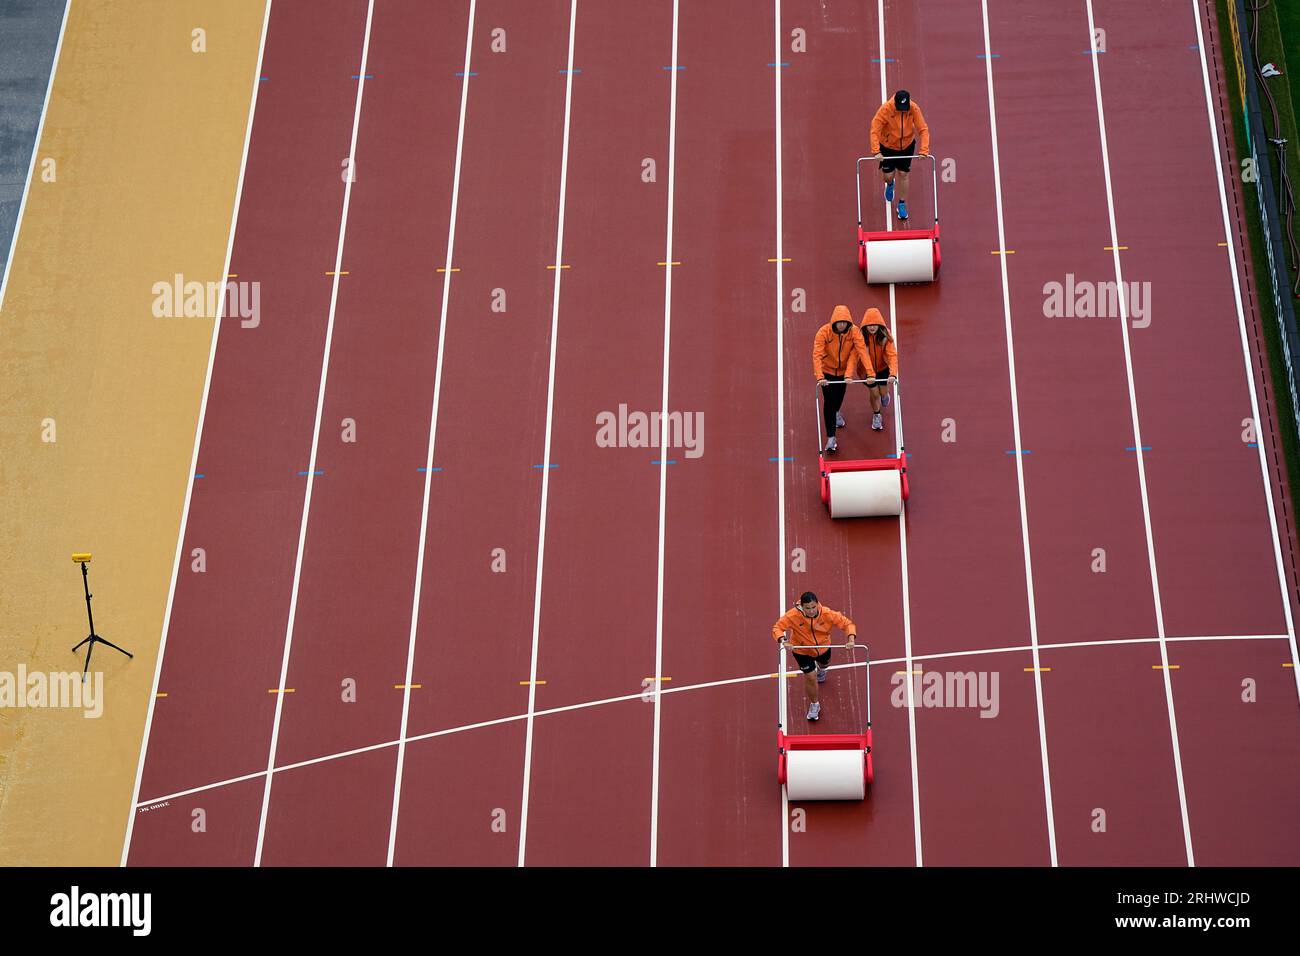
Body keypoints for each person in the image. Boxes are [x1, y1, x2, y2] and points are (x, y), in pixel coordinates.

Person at [772, 591, 858, 721]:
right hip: (802, 650)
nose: (811, 611)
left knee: (824, 665)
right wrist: (784, 641)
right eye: (807, 608)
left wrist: (851, 639)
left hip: (823, 647)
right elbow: (777, 628)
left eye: (813, 607)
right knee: (810, 677)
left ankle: (822, 670)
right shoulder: (792, 615)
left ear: (817, 604)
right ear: (801, 606)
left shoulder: (827, 613)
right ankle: (814, 704)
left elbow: (847, 624)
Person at [813, 305, 873, 453]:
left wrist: (870, 373)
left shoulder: (854, 332)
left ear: (848, 322)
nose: (841, 325)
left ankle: (837, 412)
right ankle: (831, 437)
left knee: (839, 397)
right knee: (829, 402)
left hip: (843, 372)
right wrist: (820, 376)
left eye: (844, 322)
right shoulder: (823, 332)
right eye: (839, 322)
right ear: (834, 321)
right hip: (827, 372)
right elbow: (817, 355)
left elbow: (862, 352)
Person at [870, 89, 931, 221]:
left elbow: (923, 129)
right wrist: (876, 151)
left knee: (904, 174)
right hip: (888, 146)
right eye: (900, 108)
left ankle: (902, 204)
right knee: (888, 176)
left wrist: (924, 149)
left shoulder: (913, 108)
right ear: (895, 103)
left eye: (905, 108)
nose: (903, 110)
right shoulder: (886, 109)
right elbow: (875, 129)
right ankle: (890, 184)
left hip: (907, 145)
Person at [860, 307, 898, 431]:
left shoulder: (885, 335)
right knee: (874, 393)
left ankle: (885, 395)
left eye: (874, 325)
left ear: (879, 324)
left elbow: (892, 355)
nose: (872, 328)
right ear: (865, 325)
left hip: (883, 368)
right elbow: (860, 355)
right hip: (867, 370)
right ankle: (876, 414)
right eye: (869, 325)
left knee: (882, 392)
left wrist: (893, 374)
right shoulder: (861, 337)